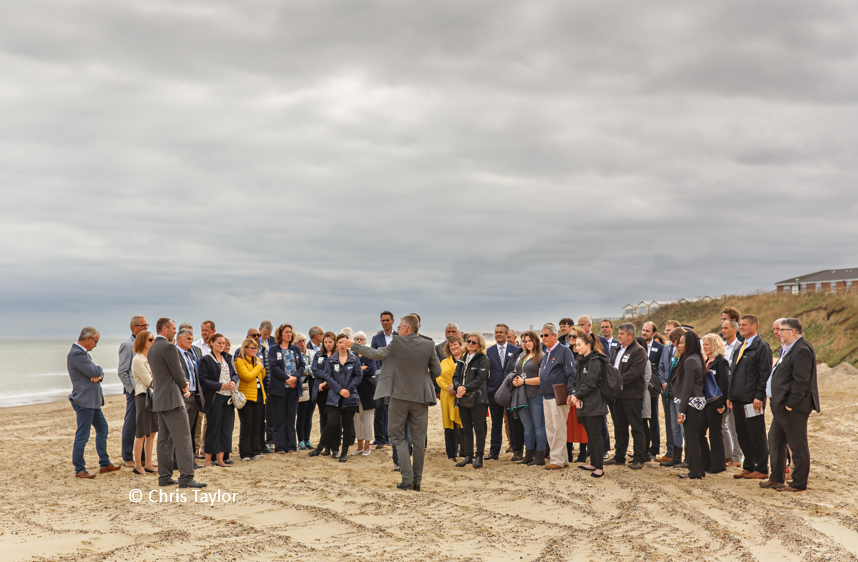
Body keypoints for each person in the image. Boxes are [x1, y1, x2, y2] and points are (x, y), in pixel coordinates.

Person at [347, 314, 441, 491]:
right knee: (419, 440)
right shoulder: (429, 344)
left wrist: (354, 345)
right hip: (421, 397)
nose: (397, 330)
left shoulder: (397, 342)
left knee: (398, 437)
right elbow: (437, 370)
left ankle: (407, 479)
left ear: (406, 328)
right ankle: (417, 480)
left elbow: (376, 354)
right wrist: (422, 380)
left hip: (399, 396)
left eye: (399, 327)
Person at [762, 318, 820, 493]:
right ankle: (776, 478)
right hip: (782, 406)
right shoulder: (789, 349)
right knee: (775, 440)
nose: (779, 333)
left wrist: (790, 404)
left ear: (793, 331)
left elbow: (801, 381)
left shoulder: (802, 349)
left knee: (797, 445)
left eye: (782, 329)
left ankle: (798, 483)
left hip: (793, 407)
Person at [149, 318, 205, 488]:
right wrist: (184, 386)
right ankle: (187, 477)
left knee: (164, 440)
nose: (175, 331)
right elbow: (178, 373)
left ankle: (164, 476)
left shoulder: (152, 348)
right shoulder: (168, 347)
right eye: (173, 328)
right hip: (173, 399)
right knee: (183, 438)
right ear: (165, 329)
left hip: (159, 399)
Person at [67, 327, 119, 479]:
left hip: (92, 401)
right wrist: (99, 372)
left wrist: (99, 373)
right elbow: (95, 372)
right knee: (82, 435)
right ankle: (79, 469)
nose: (96, 345)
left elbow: (97, 373)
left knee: (102, 428)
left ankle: (104, 463)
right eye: (95, 341)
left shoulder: (83, 354)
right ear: (88, 338)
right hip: (84, 401)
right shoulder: (77, 354)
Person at [727, 315, 773, 480]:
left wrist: (759, 396)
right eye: (740, 325)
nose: (741, 327)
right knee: (742, 434)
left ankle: (761, 468)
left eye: (745, 325)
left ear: (754, 326)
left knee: (756, 433)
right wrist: (730, 395)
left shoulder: (762, 347)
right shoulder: (741, 347)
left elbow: (764, 374)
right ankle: (749, 466)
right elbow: (734, 373)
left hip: (752, 401)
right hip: (738, 399)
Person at [310, 334, 365, 461]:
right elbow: (328, 376)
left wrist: (348, 389)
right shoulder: (331, 359)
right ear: (337, 344)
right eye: (340, 342)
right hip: (334, 396)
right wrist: (340, 390)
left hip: (349, 396)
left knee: (347, 425)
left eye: (344, 342)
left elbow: (358, 375)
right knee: (331, 423)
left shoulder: (354, 359)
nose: (342, 344)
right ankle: (319, 448)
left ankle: (344, 452)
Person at [604, 323, 647, 470]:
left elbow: (634, 373)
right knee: (620, 428)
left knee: (636, 428)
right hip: (618, 396)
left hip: (632, 396)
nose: (619, 336)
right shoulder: (617, 350)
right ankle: (619, 456)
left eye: (621, 333)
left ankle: (639, 458)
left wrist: (616, 382)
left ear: (630, 335)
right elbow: (611, 369)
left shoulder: (639, 351)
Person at [451, 333, 491, 469]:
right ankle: (468, 456)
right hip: (463, 398)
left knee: (479, 428)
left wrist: (464, 388)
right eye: (469, 341)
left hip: (478, 398)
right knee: (466, 428)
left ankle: (479, 456)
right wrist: (458, 387)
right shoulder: (463, 358)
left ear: (480, 344)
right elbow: (455, 376)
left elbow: (480, 378)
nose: (470, 344)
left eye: (474, 342)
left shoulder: (483, 359)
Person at [570, 333, 608, 477]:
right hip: (583, 403)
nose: (576, 347)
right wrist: (575, 395)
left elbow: (591, 383)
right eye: (575, 345)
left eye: (579, 345)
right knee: (589, 435)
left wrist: (577, 395)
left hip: (594, 403)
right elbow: (575, 381)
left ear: (588, 345)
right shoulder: (581, 361)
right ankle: (593, 462)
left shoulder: (595, 361)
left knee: (595, 435)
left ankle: (599, 466)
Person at [539, 323, 576, 470]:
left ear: (555, 336)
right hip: (546, 395)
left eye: (546, 335)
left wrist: (570, 392)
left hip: (558, 395)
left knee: (558, 427)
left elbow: (571, 373)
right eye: (542, 336)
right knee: (550, 428)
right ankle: (562, 459)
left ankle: (557, 460)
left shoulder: (564, 351)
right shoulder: (546, 353)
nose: (543, 338)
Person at [197, 333, 237, 469]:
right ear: (211, 343)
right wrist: (220, 385)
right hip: (215, 397)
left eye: (224, 343)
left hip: (228, 398)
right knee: (213, 428)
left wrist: (232, 382)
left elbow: (235, 374)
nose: (222, 345)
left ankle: (220, 459)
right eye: (219, 343)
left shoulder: (227, 358)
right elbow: (202, 379)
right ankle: (208, 460)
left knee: (226, 428)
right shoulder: (206, 359)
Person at [268, 324, 305, 454]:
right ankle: (280, 447)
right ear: (280, 334)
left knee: (291, 417)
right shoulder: (274, 349)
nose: (289, 334)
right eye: (286, 332)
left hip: (293, 388)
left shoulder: (295, 349)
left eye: (290, 332)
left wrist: (295, 378)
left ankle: (291, 446)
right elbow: (273, 366)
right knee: (279, 418)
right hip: (279, 389)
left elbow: (302, 365)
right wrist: (287, 378)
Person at [486, 324, 521, 460]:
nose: (498, 334)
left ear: (507, 334)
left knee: (513, 422)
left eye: (501, 332)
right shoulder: (489, 351)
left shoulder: (516, 350)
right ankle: (494, 452)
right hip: (494, 393)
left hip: (511, 392)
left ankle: (517, 451)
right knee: (496, 423)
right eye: (496, 332)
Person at [511, 330, 546, 466]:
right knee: (527, 426)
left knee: (539, 425)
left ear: (536, 341)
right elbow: (516, 372)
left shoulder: (541, 357)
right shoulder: (521, 356)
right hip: (521, 396)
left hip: (536, 395)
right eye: (524, 341)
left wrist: (523, 381)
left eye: (529, 341)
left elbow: (541, 379)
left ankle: (540, 456)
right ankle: (528, 455)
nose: (526, 343)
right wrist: (514, 380)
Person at [674, 332, 707, 480]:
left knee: (691, 438)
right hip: (697, 402)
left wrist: (681, 411)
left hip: (691, 403)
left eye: (681, 343)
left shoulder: (690, 361)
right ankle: (699, 469)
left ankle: (694, 471)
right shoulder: (696, 358)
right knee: (695, 438)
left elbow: (687, 387)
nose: (678, 345)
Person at [118, 315, 149, 467]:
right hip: (133, 392)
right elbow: (122, 371)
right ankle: (127, 457)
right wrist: (131, 390)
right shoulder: (127, 345)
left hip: (146, 391)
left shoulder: (145, 345)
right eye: (142, 325)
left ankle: (142, 457)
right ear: (134, 328)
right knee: (131, 424)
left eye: (146, 325)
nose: (145, 328)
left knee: (143, 424)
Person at [701, 333, 729, 474]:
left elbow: (724, 383)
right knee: (700, 431)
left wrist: (721, 403)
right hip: (705, 402)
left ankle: (718, 464)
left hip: (715, 402)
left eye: (707, 344)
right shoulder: (706, 361)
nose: (705, 347)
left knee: (715, 433)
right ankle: (707, 462)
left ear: (714, 345)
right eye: (704, 344)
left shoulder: (721, 361)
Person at [131, 330, 158, 475]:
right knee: (141, 433)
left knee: (152, 432)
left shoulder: (149, 358)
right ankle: (137, 465)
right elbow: (149, 381)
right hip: (143, 397)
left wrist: (155, 377)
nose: (153, 342)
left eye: (153, 339)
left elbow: (154, 378)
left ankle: (148, 463)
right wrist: (155, 377)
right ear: (142, 342)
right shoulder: (137, 359)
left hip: (153, 396)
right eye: (150, 340)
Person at [235, 338, 267, 461]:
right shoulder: (240, 361)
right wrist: (259, 368)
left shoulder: (257, 360)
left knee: (256, 425)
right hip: (246, 397)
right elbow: (247, 377)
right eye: (252, 348)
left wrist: (260, 369)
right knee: (246, 425)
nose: (254, 350)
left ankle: (255, 450)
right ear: (245, 349)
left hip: (259, 395)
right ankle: (245, 453)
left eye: (255, 348)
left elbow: (261, 376)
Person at [656, 320, 682, 464]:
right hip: (667, 392)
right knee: (671, 423)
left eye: (670, 331)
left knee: (681, 425)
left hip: (679, 393)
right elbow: (661, 367)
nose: (667, 333)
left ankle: (684, 455)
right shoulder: (666, 349)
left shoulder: (684, 351)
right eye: (666, 330)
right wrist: (664, 382)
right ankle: (672, 453)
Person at [660, 326, 687, 468]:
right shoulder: (675, 354)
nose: (673, 343)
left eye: (674, 340)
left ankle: (687, 458)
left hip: (680, 396)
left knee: (683, 427)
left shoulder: (686, 357)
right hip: (670, 394)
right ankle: (676, 457)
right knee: (674, 427)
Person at [175, 327, 202, 464]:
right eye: (188, 339)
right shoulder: (174, 354)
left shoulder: (190, 355)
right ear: (179, 339)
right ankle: (179, 461)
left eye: (192, 339)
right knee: (181, 431)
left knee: (191, 430)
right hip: (181, 395)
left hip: (193, 396)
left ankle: (190, 460)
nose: (191, 341)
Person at [371, 311, 397, 448]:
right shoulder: (376, 339)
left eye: (387, 320)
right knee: (379, 409)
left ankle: (391, 437)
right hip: (381, 377)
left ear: (393, 321)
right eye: (383, 321)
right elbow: (374, 356)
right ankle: (380, 439)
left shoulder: (399, 337)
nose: (385, 322)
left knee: (393, 409)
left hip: (397, 378)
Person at [437, 335, 464, 461]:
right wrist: (448, 387)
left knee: (464, 425)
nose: (453, 347)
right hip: (447, 395)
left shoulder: (467, 360)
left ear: (460, 345)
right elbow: (438, 377)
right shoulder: (444, 362)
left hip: (463, 395)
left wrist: (458, 388)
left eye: (455, 344)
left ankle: (464, 452)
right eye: (451, 345)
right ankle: (451, 454)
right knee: (449, 426)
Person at [721, 318, 743, 467]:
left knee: (735, 426)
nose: (723, 330)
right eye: (722, 328)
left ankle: (737, 456)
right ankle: (727, 455)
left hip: (734, 392)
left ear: (734, 329)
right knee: (722, 424)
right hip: (722, 391)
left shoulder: (740, 347)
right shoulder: (721, 347)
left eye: (726, 328)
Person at [641, 321, 665, 459]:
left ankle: (654, 449)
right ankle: (643, 448)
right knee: (642, 419)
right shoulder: (637, 346)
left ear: (654, 333)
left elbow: (662, 367)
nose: (644, 333)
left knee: (654, 419)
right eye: (643, 330)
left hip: (653, 388)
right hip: (641, 388)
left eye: (647, 331)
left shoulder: (660, 348)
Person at [312, 331, 337, 455]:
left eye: (330, 342)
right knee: (323, 418)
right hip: (321, 391)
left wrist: (328, 379)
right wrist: (327, 376)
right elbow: (315, 370)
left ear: (334, 342)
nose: (327, 344)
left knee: (333, 420)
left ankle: (334, 446)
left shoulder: (337, 355)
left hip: (333, 391)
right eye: (325, 342)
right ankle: (326, 446)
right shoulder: (318, 354)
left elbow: (338, 373)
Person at [352, 331, 378, 456]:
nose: (359, 341)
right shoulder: (351, 355)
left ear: (365, 342)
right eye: (357, 339)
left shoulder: (369, 354)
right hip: (355, 393)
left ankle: (367, 447)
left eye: (361, 339)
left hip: (368, 392)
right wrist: (361, 368)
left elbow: (372, 369)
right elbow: (348, 371)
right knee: (357, 420)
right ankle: (360, 446)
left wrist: (359, 370)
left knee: (367, 420)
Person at [566, 327, 589, 463]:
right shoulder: (567, 352)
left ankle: (582, 454)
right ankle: (568, 452)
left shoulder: (585, 355)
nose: (572, 339)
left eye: (575, 337)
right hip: (569, 392)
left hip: (582, 393)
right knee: (568, 424)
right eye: (570, 336)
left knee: (582, 425)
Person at [294, 333, 317, 451]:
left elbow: (315, 368)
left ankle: (307, 439)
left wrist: (305, 369)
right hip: (301, 385)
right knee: (301, 415)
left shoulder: (312, 353)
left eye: (304, 340)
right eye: (299, 341)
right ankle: (301, 440)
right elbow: (297, 369)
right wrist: (307, 369)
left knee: (309, 415)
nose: (302, 343)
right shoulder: (295, 354)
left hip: (312, 384)